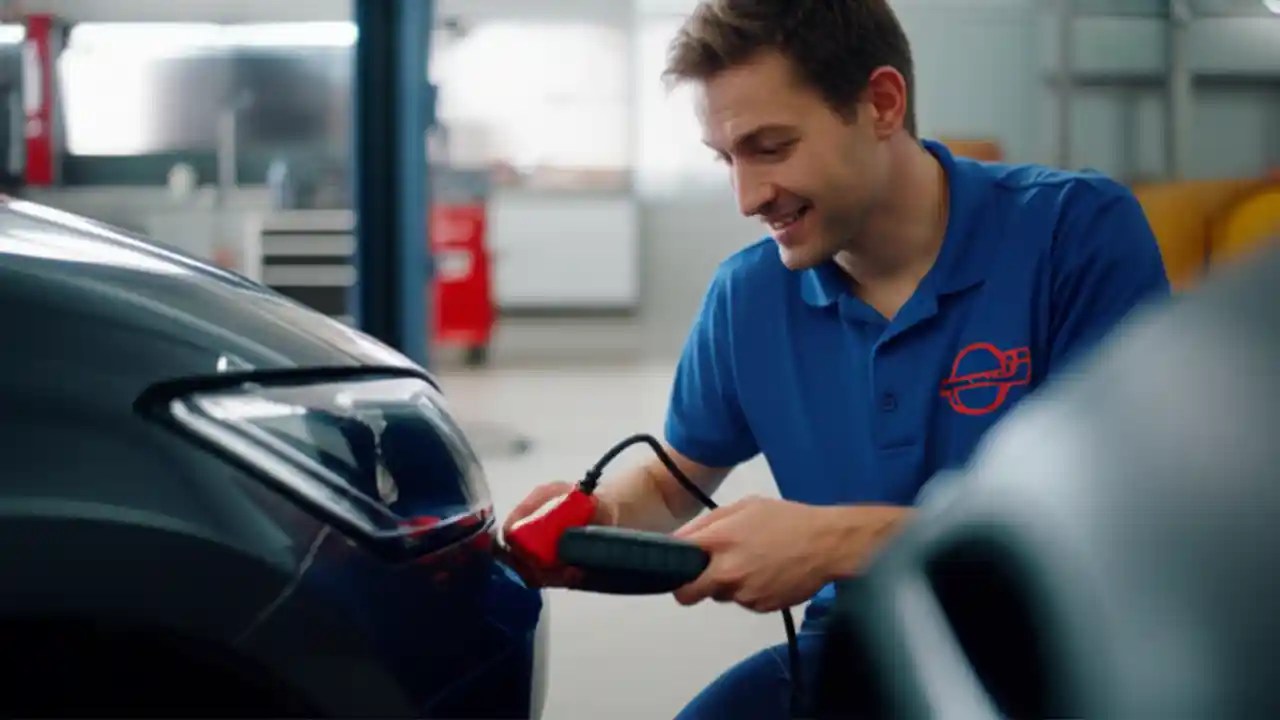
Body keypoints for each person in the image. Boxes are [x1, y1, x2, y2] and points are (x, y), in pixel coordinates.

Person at [501, 0, 1171, 717]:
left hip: (1068, 662)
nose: (748, 196)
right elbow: (672, 485)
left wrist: (833, 541)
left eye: (771, 147)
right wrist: (598, 516)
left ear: (881, 104)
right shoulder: (747, 297)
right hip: (862, 650)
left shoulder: (1075, 235)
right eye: (726, 159)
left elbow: (1131, 525)